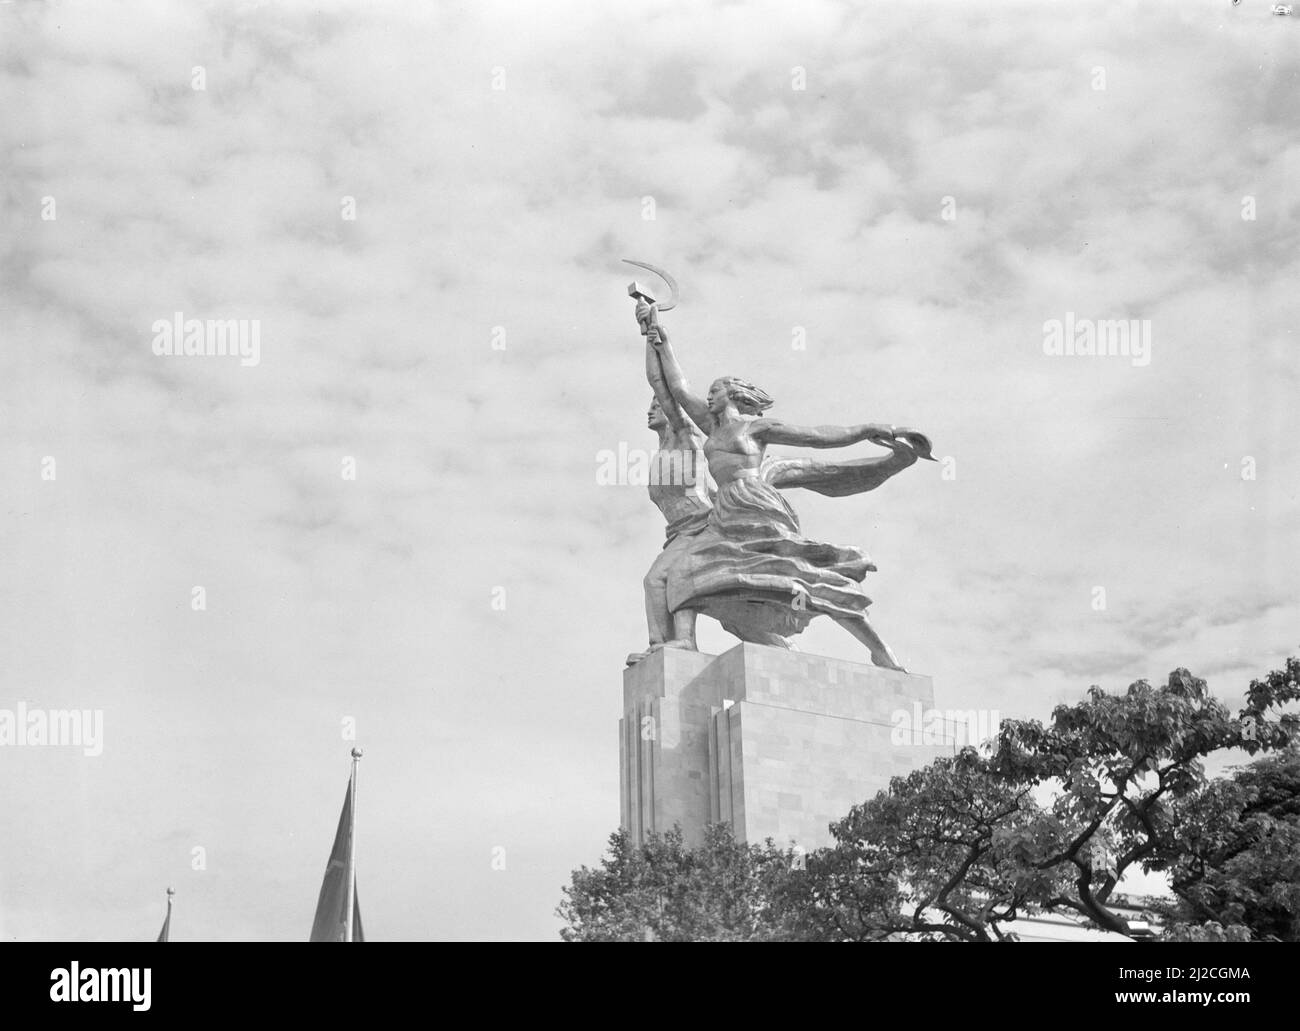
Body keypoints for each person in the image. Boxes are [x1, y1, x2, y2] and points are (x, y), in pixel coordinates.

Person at [643, 305, 929, 671]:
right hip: (725, 511)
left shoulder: (755, 430)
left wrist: (868, 429)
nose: (709, 395)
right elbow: (677, 387)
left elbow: (816, 437)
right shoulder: (711, 428)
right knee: (686, 570)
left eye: (716, 390)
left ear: (733, 395)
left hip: (756, 505)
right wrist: (659, 340)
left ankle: (877, 648)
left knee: (798, 576)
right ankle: (685, 640)